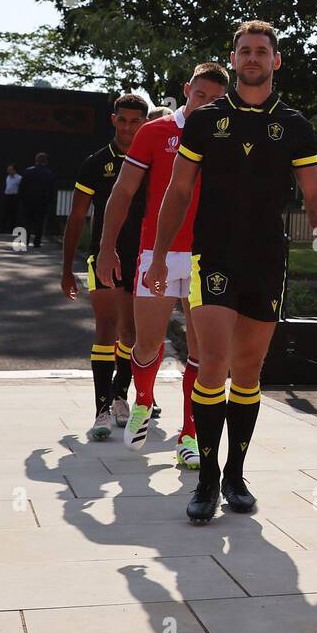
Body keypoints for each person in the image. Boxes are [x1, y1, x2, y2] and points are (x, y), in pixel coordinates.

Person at [146, 20, 317, 523]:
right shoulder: (205, 119)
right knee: (213, 361)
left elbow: (316, 195)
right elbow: (178, 191)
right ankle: (207, 479)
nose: (253, 58)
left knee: (251, 370)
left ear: (276, 61)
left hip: (266, 259)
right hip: (212, 255)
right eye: (245, 51)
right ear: (233, 60)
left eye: (262, 51)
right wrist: (156, 255)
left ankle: (236, 473)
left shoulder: (295, 124)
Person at [95, 63, 230, 468]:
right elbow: (122, 191)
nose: (207, 104)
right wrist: (106, 247)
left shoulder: (227, 137)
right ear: (187, 90)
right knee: (147, 343)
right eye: (200, 95)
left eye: (216, 100)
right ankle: (144, 400)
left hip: (207, 257)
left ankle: (189, 435)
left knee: (203, 353)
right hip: (159, 253)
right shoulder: (155, 133)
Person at [63, 95, 149, 439]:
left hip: (142, 258)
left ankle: (119, 395)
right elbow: (77, 217)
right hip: (105, 255)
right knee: (106, 327)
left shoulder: (155, 160)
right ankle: (101, 411)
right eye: (123, 120)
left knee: (132, 333)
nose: (129, 127)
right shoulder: (96, 163)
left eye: (136, 120)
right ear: (113, 120)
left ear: (145, 122)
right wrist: (66, 268)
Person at [19, 153, 57, 248]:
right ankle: (37, 241)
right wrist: (49, 200)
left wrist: (22, 199)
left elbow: (21, 187)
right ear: (46, 161)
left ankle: (25, 240)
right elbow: (52, 190)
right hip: (42, 201)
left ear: (36, 160)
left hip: (28, 200)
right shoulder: (49, 174)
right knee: (39, 221)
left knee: (27, 221)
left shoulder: (28, 172)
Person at [0, 164, 22, 234]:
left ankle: (12, 230)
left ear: (14, 170)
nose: (8, 171)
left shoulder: (19, 178)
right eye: (8, 169)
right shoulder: (7, 177)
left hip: (14, 197)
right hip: (7, 196)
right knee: (5, 213)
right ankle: (2, 229)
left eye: (10, 169)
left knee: (14, 214)